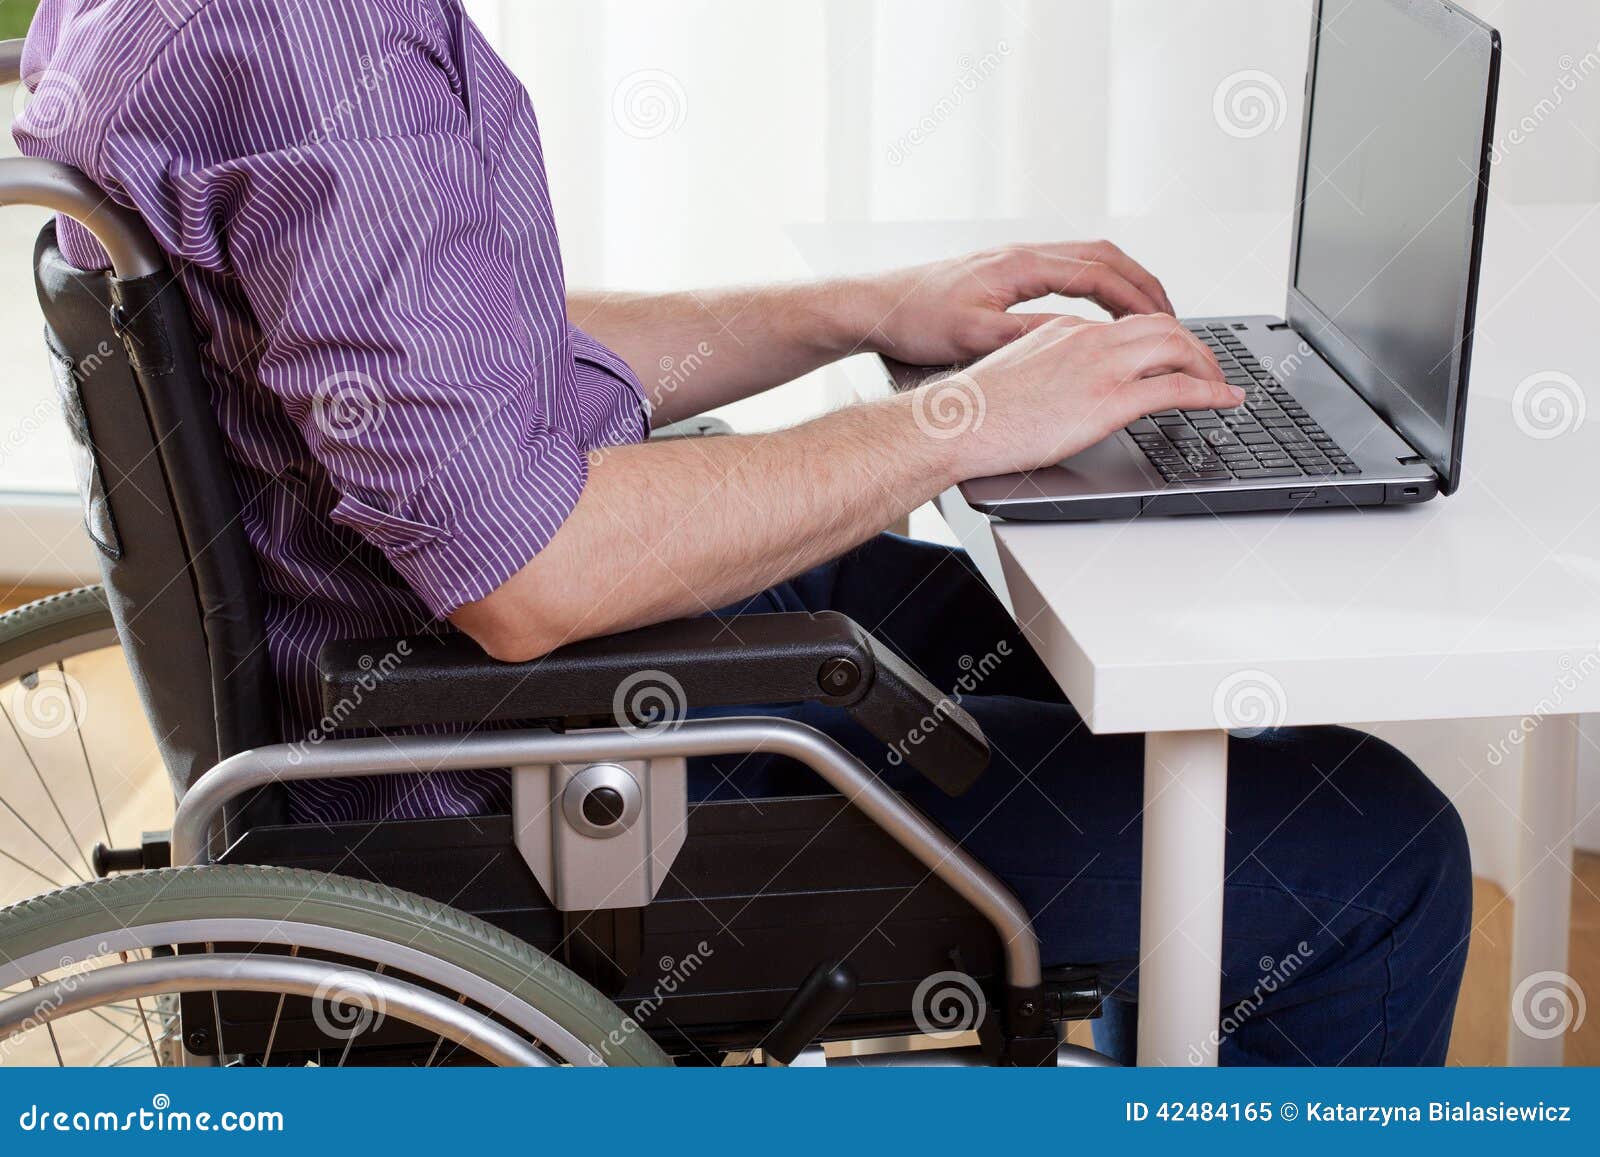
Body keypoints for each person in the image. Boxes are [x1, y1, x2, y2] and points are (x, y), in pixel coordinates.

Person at [15, 0, 1471, 1064]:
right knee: (1380, 853)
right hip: (532, 783)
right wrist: (963, 421)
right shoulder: (306, 42)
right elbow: (531, 570)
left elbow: (455, 352)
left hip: (521, 697)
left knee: (1139, 705)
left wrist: (857, 312)